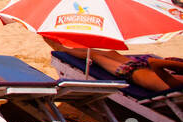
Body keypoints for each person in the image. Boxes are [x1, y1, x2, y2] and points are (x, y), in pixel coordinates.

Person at [43, 38, 183, 93]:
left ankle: (64, 49)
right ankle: (69, 46)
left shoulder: (179, 83)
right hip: (141, 69)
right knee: (112, 53)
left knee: (94, 56)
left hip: (128, 72)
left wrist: (175, 64)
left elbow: (155, 63)